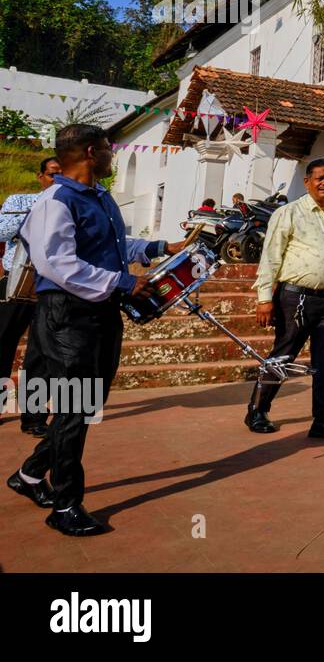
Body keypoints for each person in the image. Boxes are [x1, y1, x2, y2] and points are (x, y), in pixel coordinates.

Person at [7, 125, 183, 535]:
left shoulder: (99, 197)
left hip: (98, 313)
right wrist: (123, 282)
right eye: (107, 149)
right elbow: (57, 264)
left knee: (84, 408)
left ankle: (30, 474)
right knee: (74, 409)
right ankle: (66, 506)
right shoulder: (56, 201)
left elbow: (114, 247)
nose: (112, 155)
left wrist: (159, 248)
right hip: (67, 316)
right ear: (90, 152)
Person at [245, 159, 324, 439]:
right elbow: (271, 255)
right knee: (283, 356)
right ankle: (257, 411)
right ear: (307, 182)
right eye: (319, 178)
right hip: (296, 298)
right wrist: (264, 298)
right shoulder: (289, 213)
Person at [0, 156, 62, 435]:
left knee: (41, 351)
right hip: (16, 285)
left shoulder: (69, 207)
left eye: (62, 175)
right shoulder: (19, 201)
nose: (56, 180)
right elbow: (2, 231)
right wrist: (37, 210)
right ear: (40, 177)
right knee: (1, 344)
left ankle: (34, 417)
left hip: (51, 286)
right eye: (52, 174)